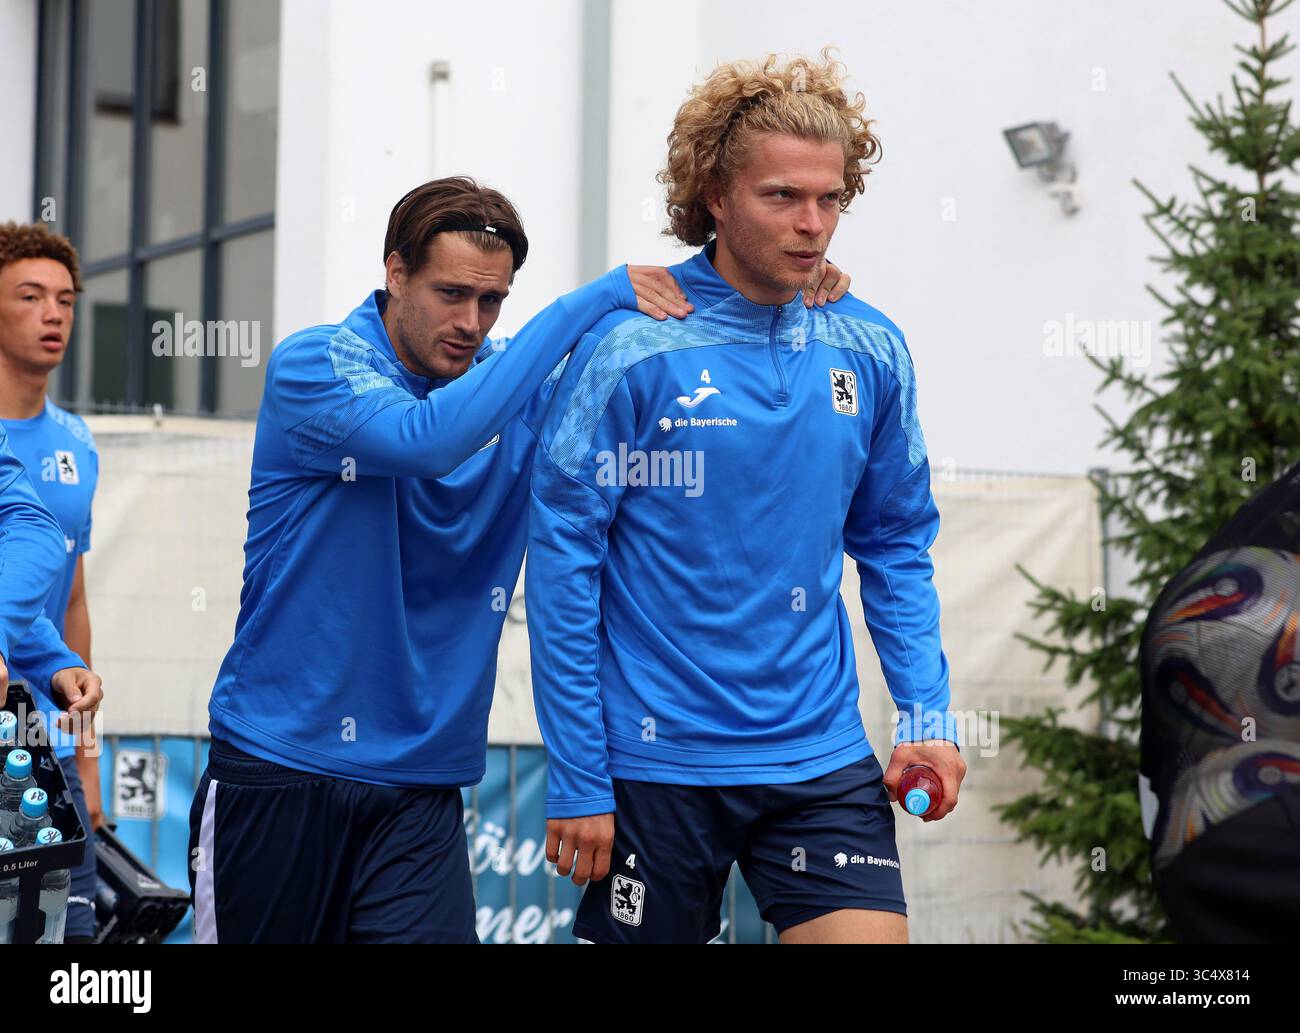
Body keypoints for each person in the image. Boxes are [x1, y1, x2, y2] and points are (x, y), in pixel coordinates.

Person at [187, 175, 851, 944]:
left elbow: (648, 366)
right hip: (280, 768)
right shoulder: (315, 365)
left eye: (493, 301)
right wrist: (588, 300)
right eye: (450, 293)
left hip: (422, 785)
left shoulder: (519, 392)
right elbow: (429, 441)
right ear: (394, 272)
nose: (471, 322)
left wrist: (781, 287)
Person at [526, 51, 966, 944]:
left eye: (829, 199)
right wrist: (578, 772)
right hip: (655, 763)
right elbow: (564, 566)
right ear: (715, 197)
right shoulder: (630, 345)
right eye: (781, 197)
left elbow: (893, 545)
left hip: (819, 754)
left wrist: (926, 717)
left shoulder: (870, 346)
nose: (812, 225)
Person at [0, 222, 105, 943]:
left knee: (67, 947)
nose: (53, 314)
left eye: (65, 299)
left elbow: (69, 596)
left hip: (44, 745)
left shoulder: (77, 441)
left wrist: (86, 750)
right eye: (31, 296)